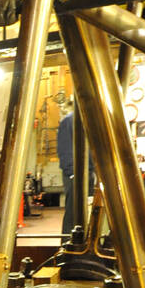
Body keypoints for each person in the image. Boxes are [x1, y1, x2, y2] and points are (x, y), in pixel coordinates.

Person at [56, 98, 93, 236]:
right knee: (73, 213)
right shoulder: (69, 121)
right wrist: (72, 173)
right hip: (75, 174)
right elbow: (64, 149)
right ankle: (67, 244)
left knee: (87, 210)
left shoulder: (88, 120)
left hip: (88, 172)